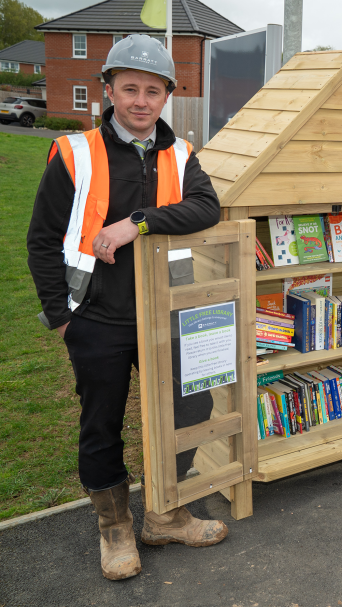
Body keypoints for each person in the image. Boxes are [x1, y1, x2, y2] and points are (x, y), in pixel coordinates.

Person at [26, 34, 224, 581]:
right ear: (109, 90)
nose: (141, 101)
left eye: (152, 91)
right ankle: (115, 529)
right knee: (102, 423)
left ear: (167, 96)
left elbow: (206, 207)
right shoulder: (75, 152)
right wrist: (61, 318)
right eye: (130, 88)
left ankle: (165, 515)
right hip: (96, 318)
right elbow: (42, 240)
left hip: (168, 313)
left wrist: (138, 223)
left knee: (191, 408)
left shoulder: (180, 154)